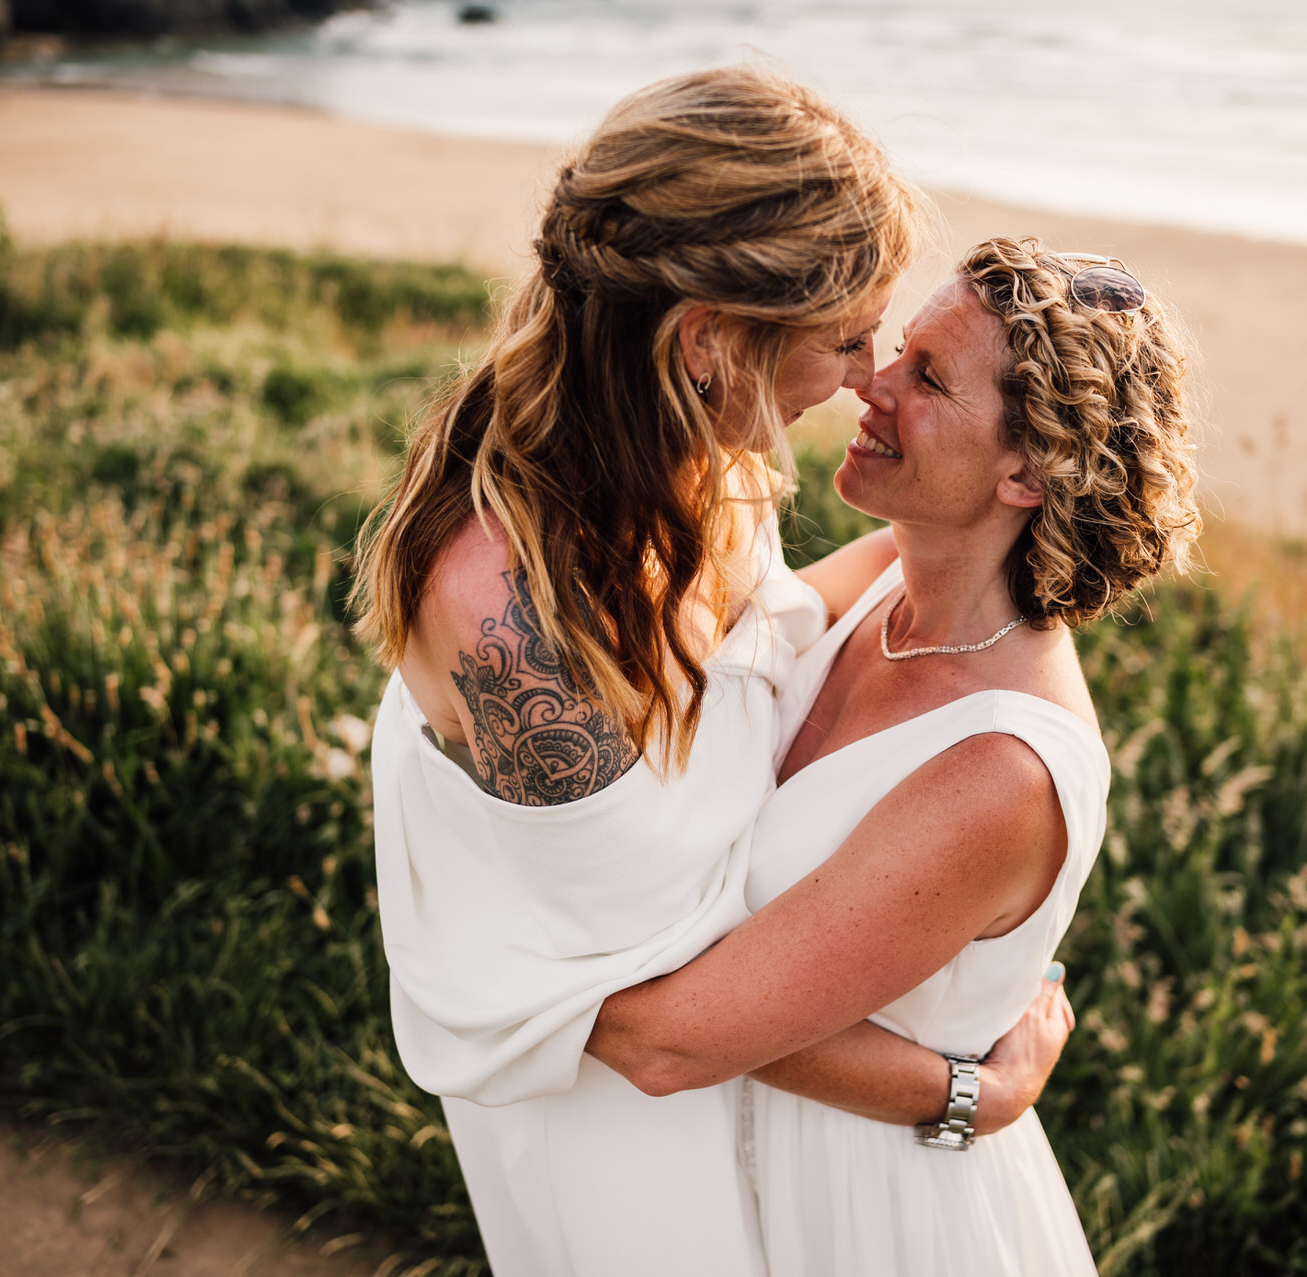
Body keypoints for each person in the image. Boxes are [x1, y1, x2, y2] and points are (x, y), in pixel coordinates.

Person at [355, 71, 1068, 1277]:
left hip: (742, 1096)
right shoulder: (510, 625)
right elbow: (651, 1026)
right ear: (708, 343)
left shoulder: (678, 449)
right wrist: (969, 1093)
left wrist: (994, 567)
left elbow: (775, 627)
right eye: (846, 338)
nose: (861, 374)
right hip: (630, 1145)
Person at [588, 235, 1202, 1275]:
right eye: (896, 351)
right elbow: (670, 665)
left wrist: (516, 939)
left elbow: (671, 1038)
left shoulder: (1004, 770)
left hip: (862, 1214)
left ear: (1028, 470)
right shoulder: (884, 575)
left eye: (927, 377)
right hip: (715, 1162)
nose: (867, 384)